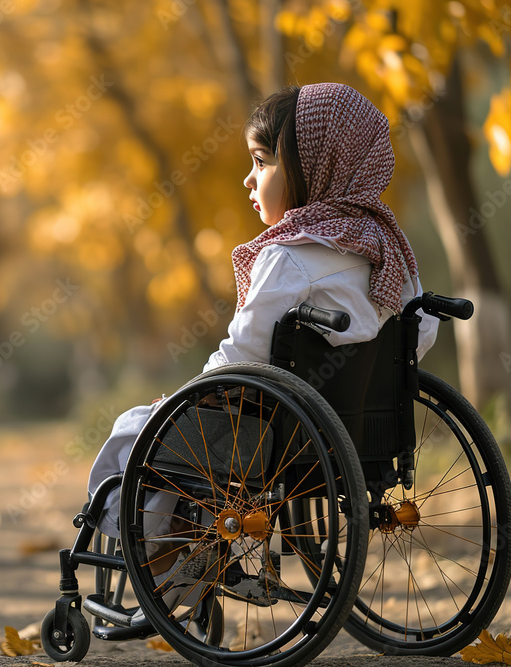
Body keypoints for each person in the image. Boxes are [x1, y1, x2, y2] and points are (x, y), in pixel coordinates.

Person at [87, 82, 439, 549]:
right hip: (360, 436)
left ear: (314, 166)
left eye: (262, 161)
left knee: (137, 426)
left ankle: (151, 551)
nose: (248, 180)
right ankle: (172, 563)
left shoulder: (289, 257)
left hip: (266, 440)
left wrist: (187, 394)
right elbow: (419, 334)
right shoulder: (390, 248)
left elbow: (244, 354)